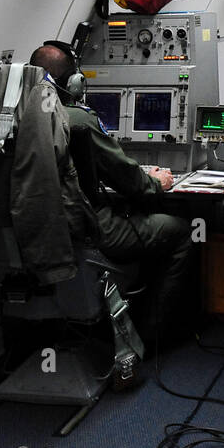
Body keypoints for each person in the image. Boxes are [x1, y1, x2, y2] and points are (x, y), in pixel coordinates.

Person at [28, 42, 196, 345]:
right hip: (90, 230)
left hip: (34, 232)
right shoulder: (76, 120)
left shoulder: (8, 120)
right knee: (181, 231)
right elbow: (132, 184)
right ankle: (151, 337)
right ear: (73, 83)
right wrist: (156, 181)